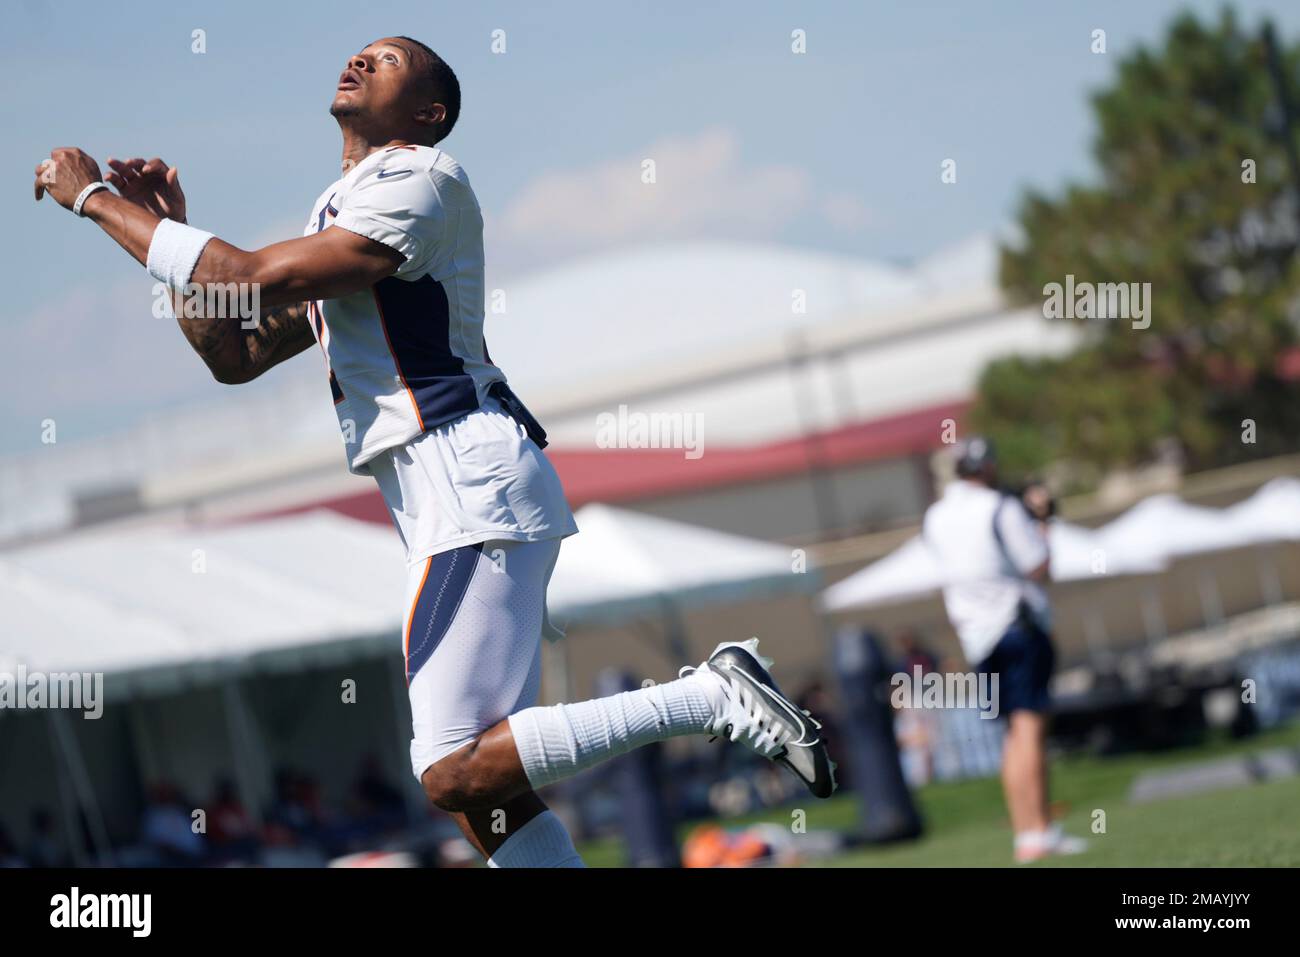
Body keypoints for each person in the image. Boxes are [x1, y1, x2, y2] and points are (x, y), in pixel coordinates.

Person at [34, 36, 833, 867]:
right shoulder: (341, 202)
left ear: (430, 113)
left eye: (385, 60)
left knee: (449, 769)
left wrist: (94, 197)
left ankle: (710, 692)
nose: (358, 61)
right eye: (357, 54)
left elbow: (246, 272)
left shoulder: (420, 178)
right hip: (449, 489)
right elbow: (234, 354)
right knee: (485, 794)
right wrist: (168, 234)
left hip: (465, 472)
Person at [921, 437, 1085, 862]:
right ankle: (1039, 832)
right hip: (1016, 628)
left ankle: (1026, 833)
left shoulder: (936, 516)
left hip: (977, 637)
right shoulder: (1001, 508)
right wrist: (1042, 523)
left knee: (1013, 736)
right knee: (1031, 730)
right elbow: (1038, 566)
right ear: (988, 467)